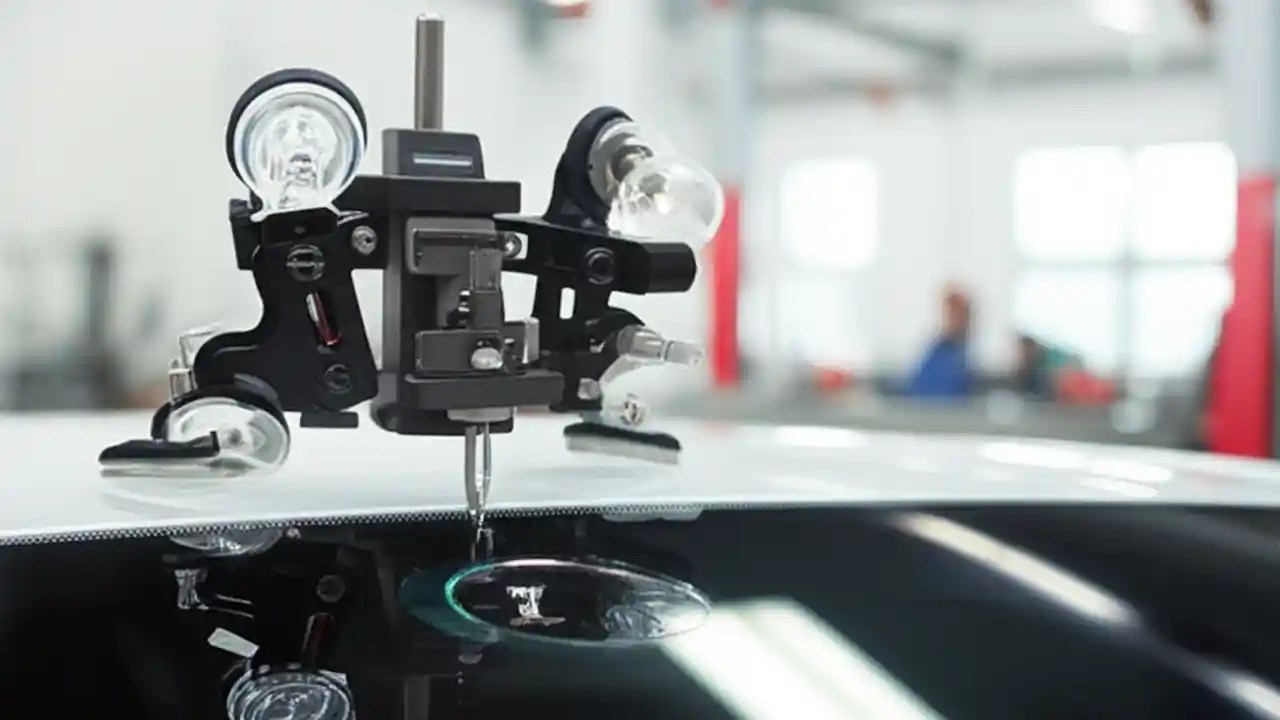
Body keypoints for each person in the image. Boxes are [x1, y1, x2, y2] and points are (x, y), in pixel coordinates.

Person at [906, 286, 973, 399]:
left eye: (959, 314)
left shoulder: (966, 356)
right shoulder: (936, 351)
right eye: (951, 314)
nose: (955, 319)